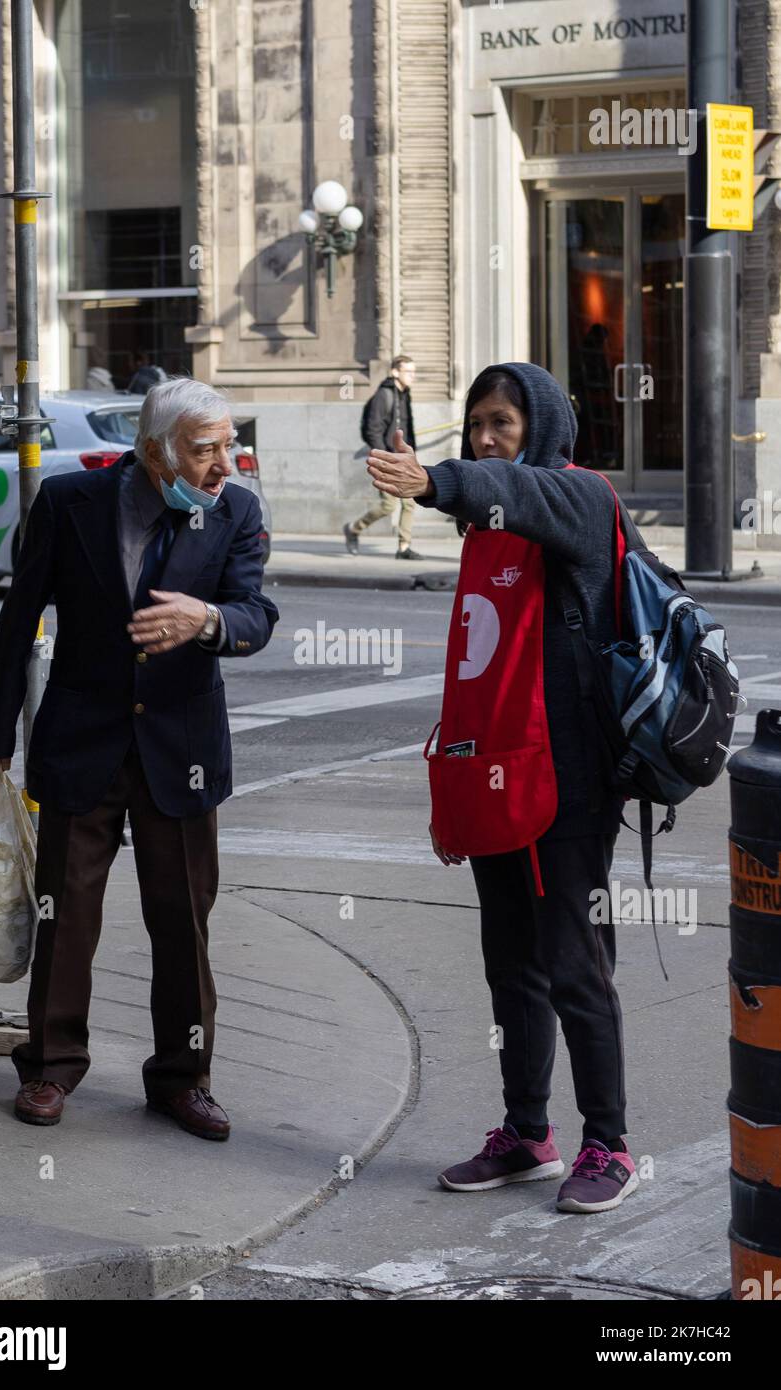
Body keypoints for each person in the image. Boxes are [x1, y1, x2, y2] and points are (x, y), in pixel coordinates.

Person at [0, 377, 279, 1140]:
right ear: (153, 451)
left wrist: (206, 620)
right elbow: (19, 617)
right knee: (65, 913)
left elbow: (255, 613)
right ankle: (49, 1065)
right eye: (203, 449)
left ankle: (183, 1079)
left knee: (184, 920)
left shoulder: (236, 509)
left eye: (228, 443)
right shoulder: (69, 503)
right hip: (82, 741)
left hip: (183, 751)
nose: (223, 463)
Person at [366, 362, 638, 1215]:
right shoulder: (489, 526)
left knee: (575, 968)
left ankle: (610, 1144)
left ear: (542, 432)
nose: (486, 437)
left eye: (502, 425)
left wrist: (439, 478)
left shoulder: (579, 501)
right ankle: (528, 1135)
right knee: (511, 968)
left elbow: (512, 495)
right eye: (476, 423)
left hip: (571, 785)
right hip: (495, 776)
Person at [344, 354, 423, 560]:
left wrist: (411, 454)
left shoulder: (404, 393)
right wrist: (384, 457)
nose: (412, 376)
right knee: (389, 505)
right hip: (388, 458)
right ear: (395, 372)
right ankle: (353, 528)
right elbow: (373, 429)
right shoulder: (384, 395)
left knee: (409, 503)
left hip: (404, 458)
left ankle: (404, 547)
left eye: (414, 372)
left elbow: (407, 427)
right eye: (408, 372)